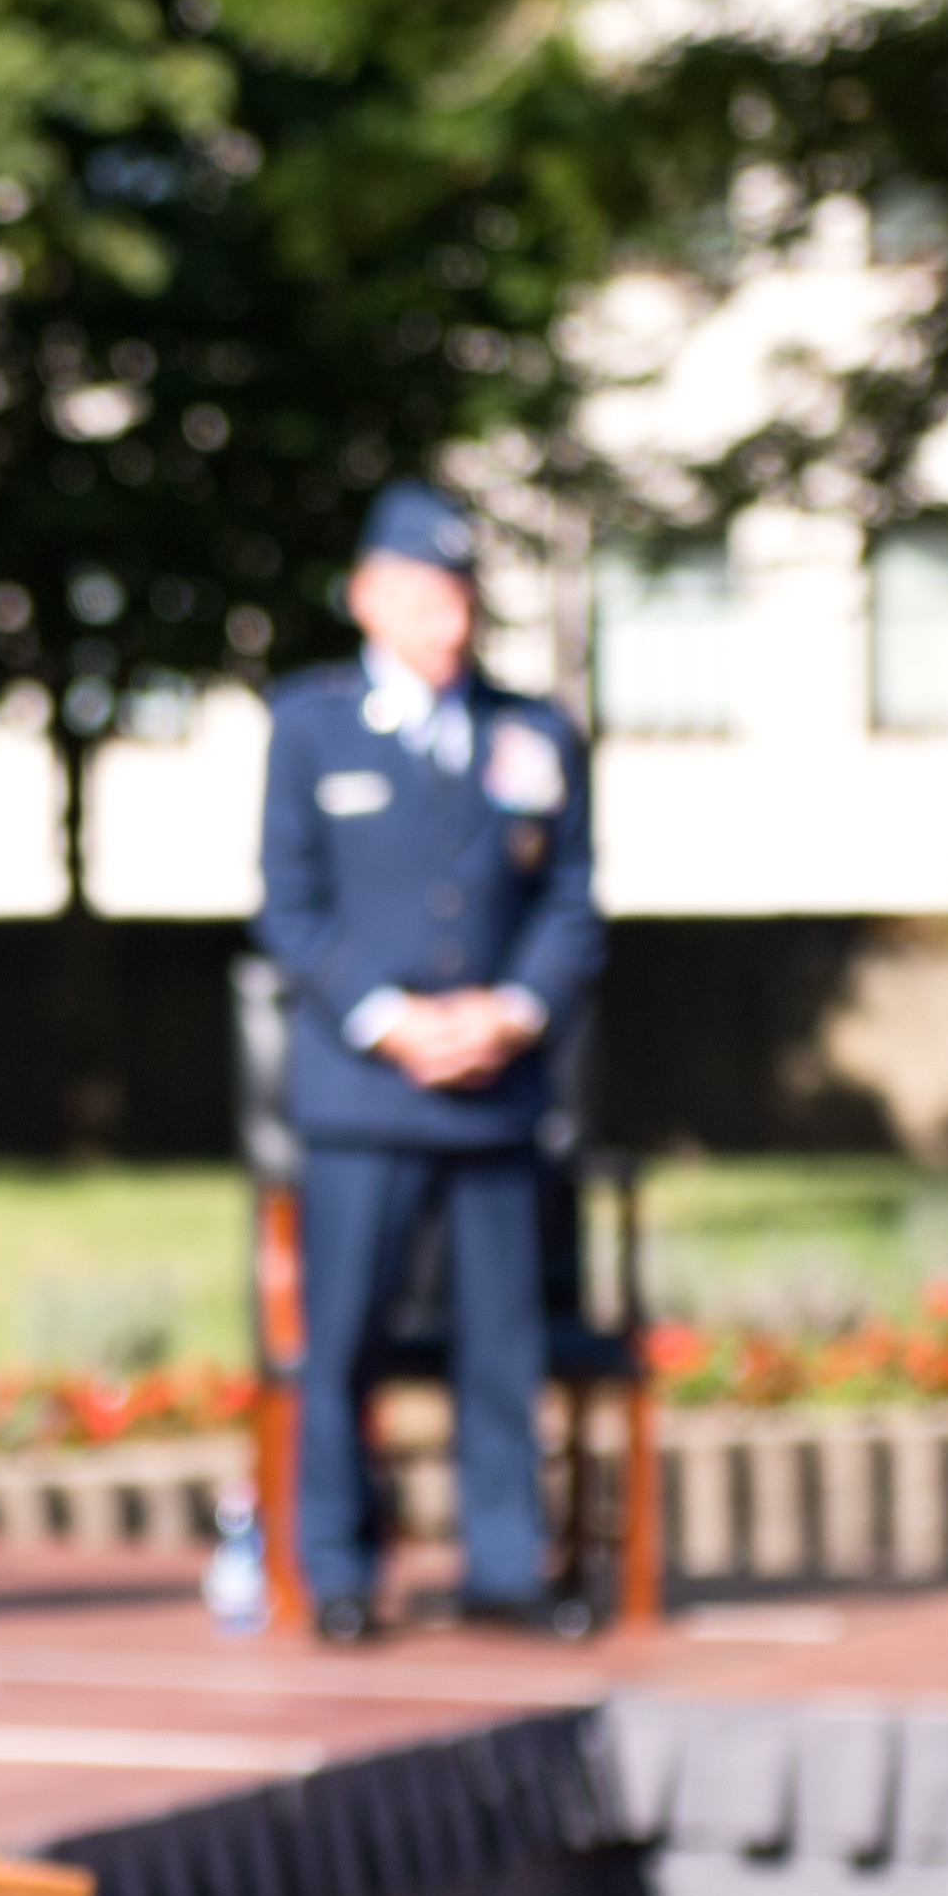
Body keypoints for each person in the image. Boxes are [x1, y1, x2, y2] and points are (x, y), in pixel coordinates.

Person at [257, 478, 605, 1641]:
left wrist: (508, 1012)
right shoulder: (309, 728)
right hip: (367, 1091)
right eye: (420, 594)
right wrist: (392, 1018)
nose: (445, 619)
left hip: (493, 1088)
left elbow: (570, 902)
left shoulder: (535, 732)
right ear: (367, 599)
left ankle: (506, 1565)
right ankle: (341, 1567)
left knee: (501, 1342)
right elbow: (291, 910)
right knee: (343, 1339)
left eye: (459, 594)